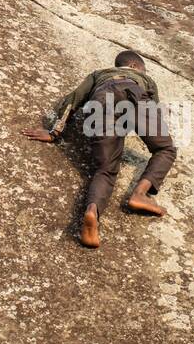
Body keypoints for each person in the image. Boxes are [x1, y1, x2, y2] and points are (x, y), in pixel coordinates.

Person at [22, 49, 176, 249]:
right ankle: (140, 194)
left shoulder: (99, 74)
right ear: (134, 67)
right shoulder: (143, 79)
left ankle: (92, 212)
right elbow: (152, 109)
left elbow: (73, 99)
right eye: (143, 70)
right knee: (166, 149)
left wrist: (54, 132)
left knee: (105, 169)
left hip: (100, 102)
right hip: (135, 96)